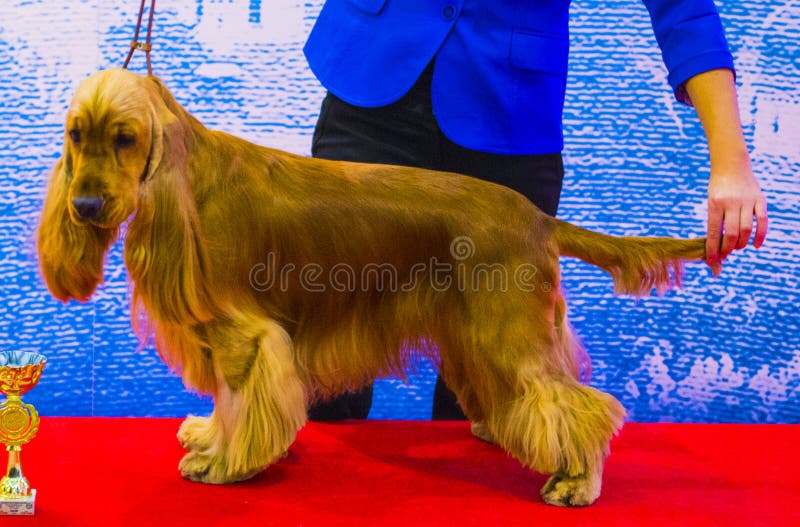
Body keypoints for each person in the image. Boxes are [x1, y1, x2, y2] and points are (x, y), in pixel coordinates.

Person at [302, 0, 768, 421]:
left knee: (492, 393)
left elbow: (684, 9)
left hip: (507, 115)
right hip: (368, 86)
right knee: (324, 354)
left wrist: (731, 162)